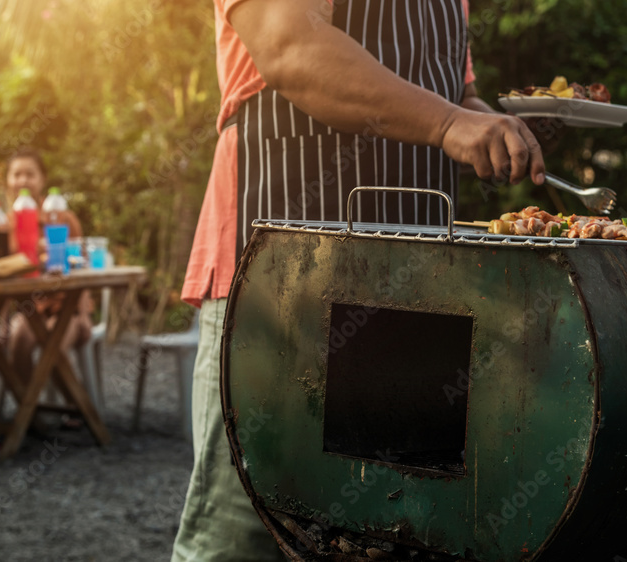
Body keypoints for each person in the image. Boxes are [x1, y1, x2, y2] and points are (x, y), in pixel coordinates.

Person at [172, 0, 548, 560]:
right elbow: (290, 47)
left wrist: (492, 127)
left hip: (421, 292)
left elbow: (453, 97)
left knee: (398, 526)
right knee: (247, 533)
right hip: (279, 282)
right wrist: (449, 123)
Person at [3, 148, 93, 419]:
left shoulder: (64, 218)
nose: (23, 180)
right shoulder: (7, 224)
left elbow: (83, 268)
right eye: (16, 174)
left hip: (68, 309)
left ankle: (77, 410)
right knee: (18, 341)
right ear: (8, 180)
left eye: (30, 174)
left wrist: (86, 313)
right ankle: (30, 412)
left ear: (42, 179)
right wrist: (1, 319)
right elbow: (4, 274)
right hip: (29, 308)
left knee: (53, 344)